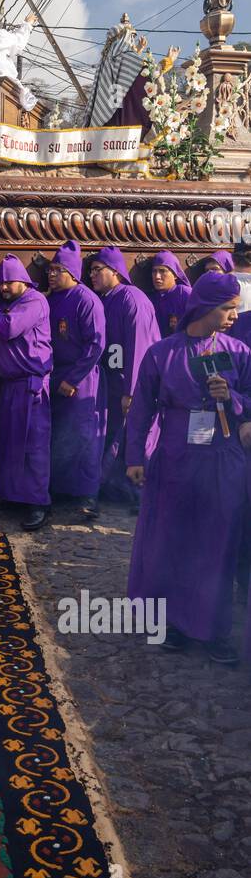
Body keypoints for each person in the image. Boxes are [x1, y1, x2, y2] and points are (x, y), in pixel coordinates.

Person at [126, 272, 251, 665]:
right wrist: (134, 457)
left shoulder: (240, 352)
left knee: (217, 544)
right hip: (176, 459)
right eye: (226, 308)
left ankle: (212, 630)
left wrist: (232, 396)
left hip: (223, 461)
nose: (234, 315)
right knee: (173, 540)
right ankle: (176, 624)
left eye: (235, 308)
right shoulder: (161, 353)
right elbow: (141, 410)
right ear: (202, 308)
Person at [0, 254, 53, 530]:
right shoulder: (10, 304)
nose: (2, 288)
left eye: (8, 282)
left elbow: (10, 328)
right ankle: (13, 496)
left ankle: (38, 503)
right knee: (10, 444)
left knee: (33, 446)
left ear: (22, 280)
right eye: (0, 283)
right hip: (11, 385)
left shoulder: (34, 301)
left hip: (31, 384)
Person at [89, 246, 160, 508]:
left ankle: (142, 496)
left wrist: (132, 391)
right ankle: (115, 491)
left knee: (132, 438)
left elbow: (139, 346)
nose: (92, 275)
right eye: (91, 270)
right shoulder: (106, 298)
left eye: (98, 270)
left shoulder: (132, 299)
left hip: (132, 385)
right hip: (112, 383)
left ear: (116, 271)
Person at [46, 240, 106, 519]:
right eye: (50, 269)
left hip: (81, 379)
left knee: (83, 436)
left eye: (58, 269)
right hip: (55, 375)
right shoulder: (50, 300)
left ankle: (87, 495)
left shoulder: (86, 299)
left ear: (72, 272)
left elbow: (95, 344)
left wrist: (73, 379)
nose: (52, 274)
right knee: (59, 435)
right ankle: (62, 489)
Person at [148, 251, 191, 337]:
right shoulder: (150, 299)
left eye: (162, 271)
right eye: (154, 271)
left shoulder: (185, 293)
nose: (157, 276)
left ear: (175, 275)